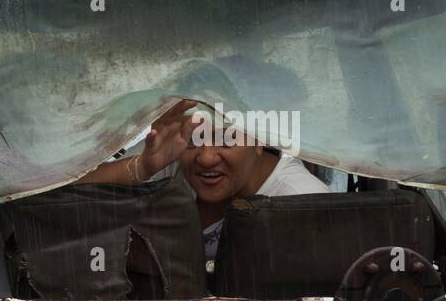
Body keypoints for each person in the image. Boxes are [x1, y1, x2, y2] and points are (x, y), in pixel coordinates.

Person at [78, 99, 329, 258]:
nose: (206, 158)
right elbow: (63, 193)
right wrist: (142, 167)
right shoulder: (171, 157)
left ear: (259, 140)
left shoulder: (301, 201)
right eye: (194, 140)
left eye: (226, 140)